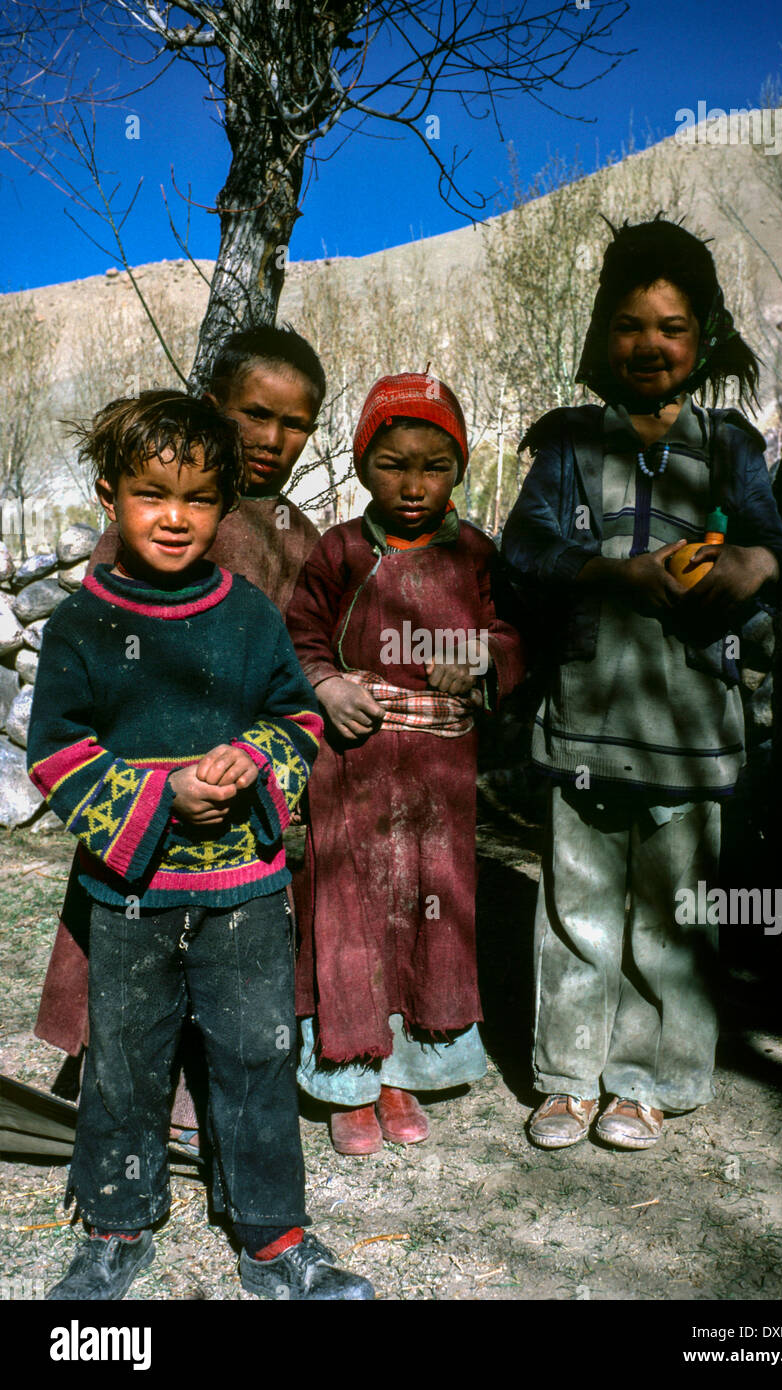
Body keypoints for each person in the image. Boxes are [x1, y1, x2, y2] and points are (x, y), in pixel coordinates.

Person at [27, 392, 373, 1300]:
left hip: (246, 892)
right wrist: (160, 795)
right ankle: (114, 1225)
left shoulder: (250, 616)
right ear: (110, 497)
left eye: (197, 498)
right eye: (150, 494)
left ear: (223, 506)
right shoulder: (79, 626)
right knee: (125, 1060)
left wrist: (254, 760)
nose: (174, 518)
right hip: (129, 896)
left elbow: (297, 715)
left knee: (258, 1051)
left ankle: (274, 1236)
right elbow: (57, 754)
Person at [501, 217, 782, 1152]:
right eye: (630, 324)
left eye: (671, 326)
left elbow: (779, 553)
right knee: (578, 906)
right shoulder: (569, 445)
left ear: (703, 336)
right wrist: (616, 574)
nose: (650, 345)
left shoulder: (731, 448)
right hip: (587, 715)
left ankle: (647, 1082)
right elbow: (525, 551)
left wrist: (753, 567)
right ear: (601, 331)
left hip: (691, 723)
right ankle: (566, 1077)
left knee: (672, 917)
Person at [35, 326, 324, 1151]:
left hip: (245, 796)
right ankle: (124, 1078)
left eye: (296, 423)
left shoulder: (300, 534)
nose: (272, 439)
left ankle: (220, 1085)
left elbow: (302, 657)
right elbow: (94, 669)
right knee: (130, 960)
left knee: (241, 957)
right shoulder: (154, 518)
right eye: (254, 414)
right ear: (212, 409)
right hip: (146, 788)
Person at [287, 373, 525, 1155]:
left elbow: (511, 637)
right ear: (361, 466)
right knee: (349, 910)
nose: (414, 484)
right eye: (392, 463)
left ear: (458, 469)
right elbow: (302, 637)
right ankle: (348, 1076)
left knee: (429, 908)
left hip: (440, 775)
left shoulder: (476, 554)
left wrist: (481, 657)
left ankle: (403, 1072)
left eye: (434, 465)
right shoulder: (339, 550)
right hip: (352, 763)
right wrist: (323, 685)